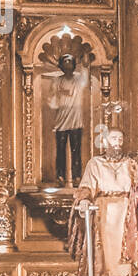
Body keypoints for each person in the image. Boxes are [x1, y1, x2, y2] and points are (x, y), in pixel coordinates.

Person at [67, 129, 138, 276]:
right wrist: (84, 200)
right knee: (104, 249)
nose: (117, 142)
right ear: (105, 142)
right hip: (103, 211)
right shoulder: (95, 163)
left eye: (120, 139)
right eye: (113, 138)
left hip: (127, 211)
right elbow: (86, 186)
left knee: (126, 248)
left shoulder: (131, 164)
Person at [44, 54, 88, 186]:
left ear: (74, 65)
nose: (68, 65)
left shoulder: (79, 79)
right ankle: (60, 176)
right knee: (61, 150)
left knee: (76, 150)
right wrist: (59, 97)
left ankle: (77, 177)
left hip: (76, 120)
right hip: (61, 120)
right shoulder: (56, 81)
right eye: (65, 62)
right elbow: (51, 102)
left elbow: (85, 74)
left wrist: (85, 62)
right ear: (61, 66)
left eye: (70, 62)